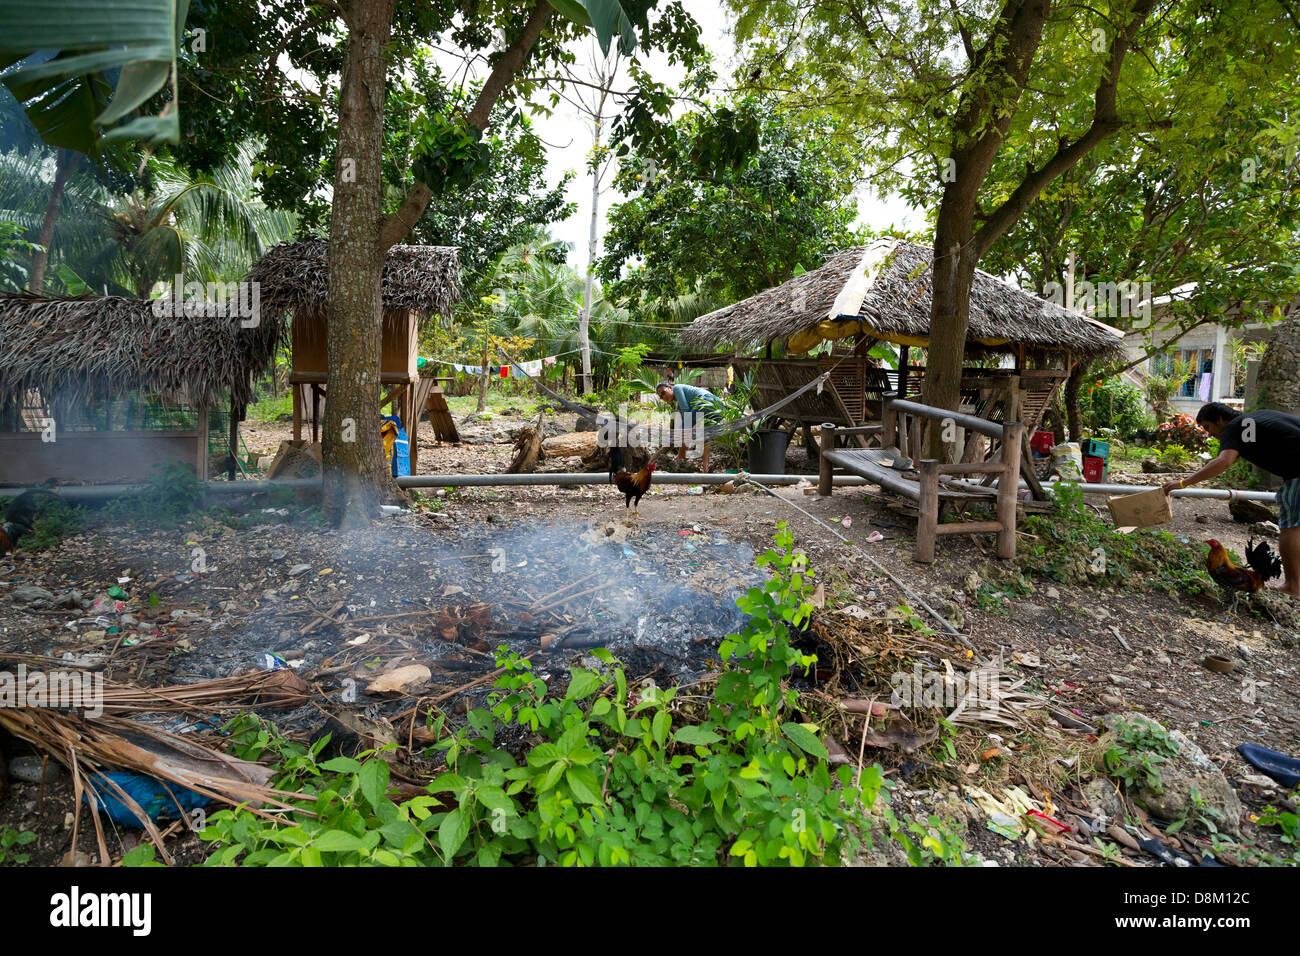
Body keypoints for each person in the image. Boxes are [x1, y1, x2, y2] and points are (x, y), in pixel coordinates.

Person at [1162, 402, 1300, 596]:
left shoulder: (1234, 427)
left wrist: (1183, 483)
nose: (1209, 434)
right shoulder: (1259, 417)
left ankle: (1294, 587)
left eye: (1208, 427)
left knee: (1291, 527)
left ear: (1220, 419)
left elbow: (1224, 461)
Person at [655, 381, 721, 461]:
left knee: (682, 429)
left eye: (663, 393)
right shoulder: (680, 405)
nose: (663, 397)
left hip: (707, 401)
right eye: (661, 397)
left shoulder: (677, 388)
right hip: (718, 407)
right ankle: (706, 469)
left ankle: (681, 458)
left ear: (670, 388)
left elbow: (686, 417)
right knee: (705, 438)